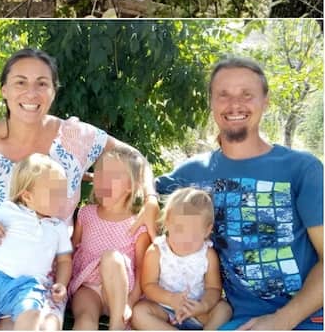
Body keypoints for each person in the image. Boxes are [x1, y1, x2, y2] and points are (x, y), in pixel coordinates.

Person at [0, 48, 159, 330]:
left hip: (36, 284)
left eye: (42, 83)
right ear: (4, 90)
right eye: (20, 82)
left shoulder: (74, 138)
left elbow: (134, 157)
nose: (31, 92)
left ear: (53, 91)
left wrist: (150, 198)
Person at [155, 56, 323, 330]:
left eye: (247, 95)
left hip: (304, 317)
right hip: (231, 319)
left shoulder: (302, 169)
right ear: (211, 102)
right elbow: (137, 182)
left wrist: (281, 321)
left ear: (265, 101)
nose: (234, 105)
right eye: (223, 95)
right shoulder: (191, 174)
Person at [0, 153, 73, 330]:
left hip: (25, 287)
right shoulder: (8, 210)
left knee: (32, 315)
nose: (61, 199)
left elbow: (65, 260)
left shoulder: (58, 227)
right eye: (54, 193)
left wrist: (62, 283)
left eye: (62, 192)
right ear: (27, 196)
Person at [69, 145, 153, 330]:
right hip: (87, 285)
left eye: (113, 177)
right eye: (100, 175)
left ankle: (116, 325)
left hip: (120, 291)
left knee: (111, 258)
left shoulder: (137, 223)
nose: (104, 181)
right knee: (84, 319)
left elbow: (142, 269)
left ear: (131, 186)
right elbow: (72, 250)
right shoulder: (86, 214)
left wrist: (130, 302)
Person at [132, 187, 231, 330]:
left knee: (224, 310)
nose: (186, 239)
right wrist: (170, 299)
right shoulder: (157, 251)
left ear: (207, 231)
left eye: (194, 233)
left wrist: (203, 306)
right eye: (179, 230)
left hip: (197, 310)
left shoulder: (207, 254)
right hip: (165, 310)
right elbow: (148, 286)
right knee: (139, 312)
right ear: (167, 223)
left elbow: (214, 288)